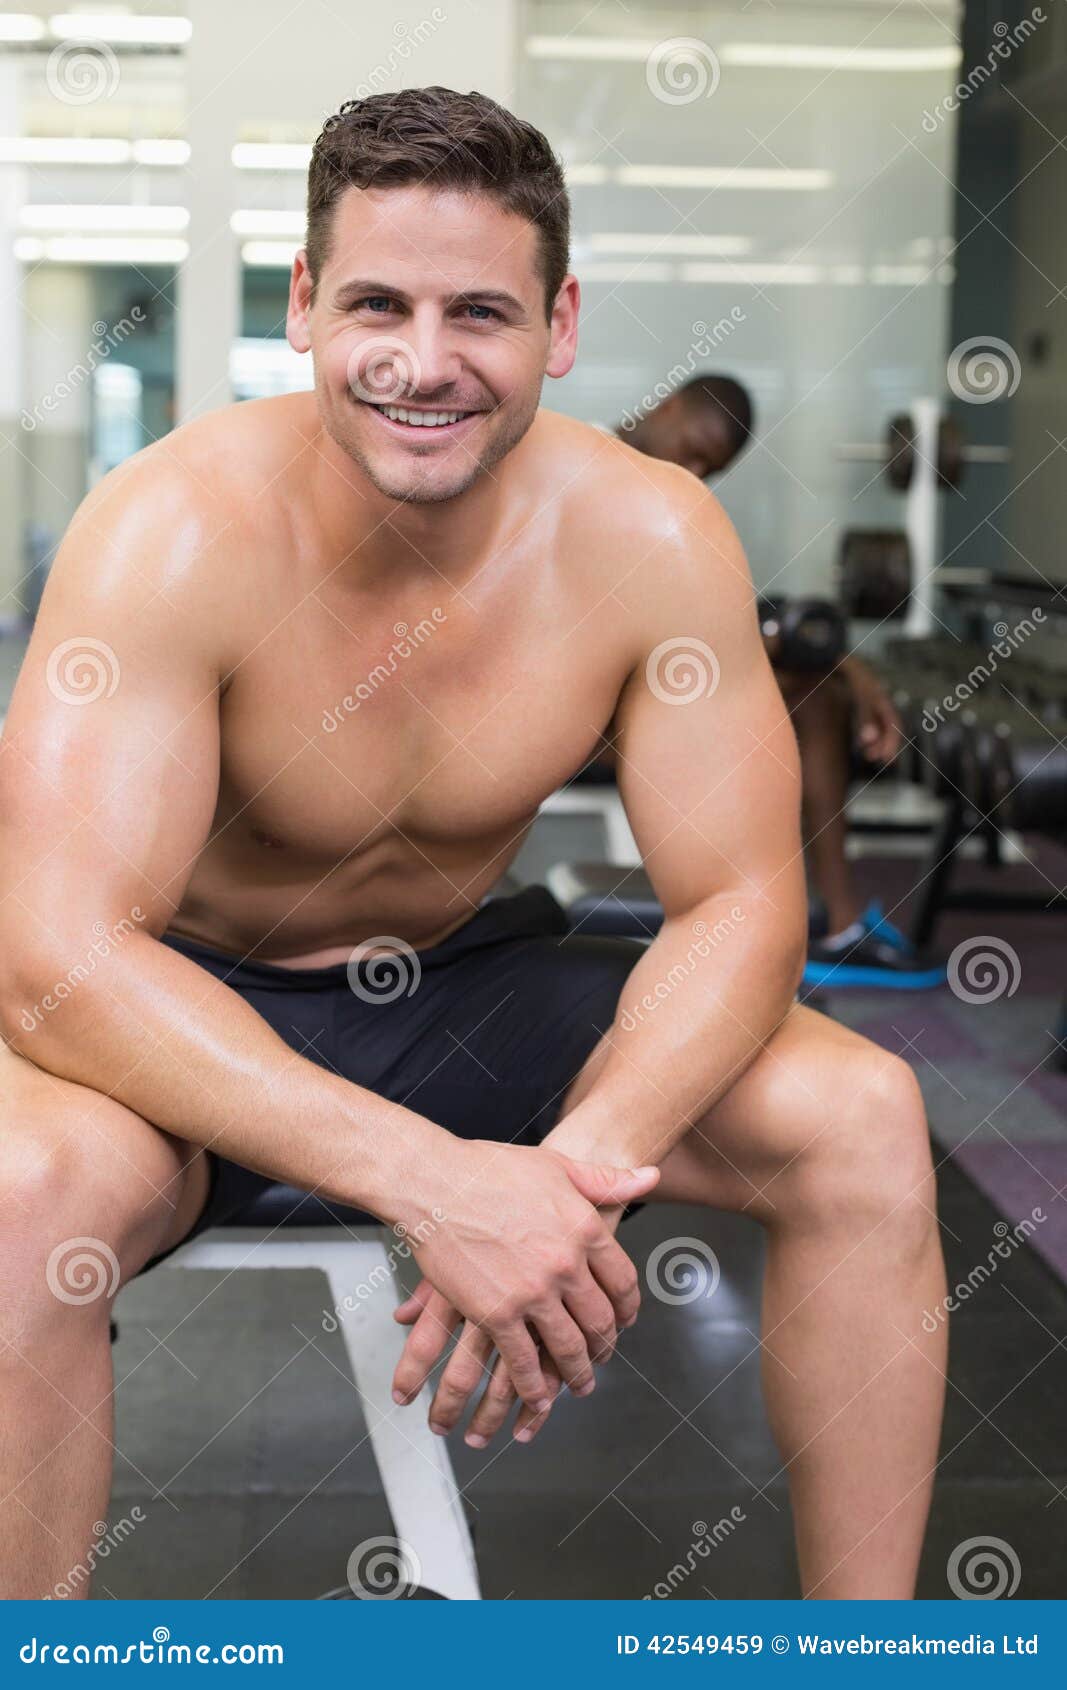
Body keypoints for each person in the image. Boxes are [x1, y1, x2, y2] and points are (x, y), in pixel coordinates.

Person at [0, 86, 946, 1601]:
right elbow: (56, 962)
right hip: (177, 1023)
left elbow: (741, 903)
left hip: (453, 988)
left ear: (558, 325)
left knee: (861, 1116)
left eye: (479, 313)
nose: (422, 362)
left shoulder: (647, 536)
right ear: (305, 305)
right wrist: (437, 1183)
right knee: (18, 1189)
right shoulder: (169, 531)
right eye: (376, 302)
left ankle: (862, 1646)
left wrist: (563, 1176)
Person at [623, 377, 945, 988]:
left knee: (817, 687)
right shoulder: (599, 473)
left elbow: (734, 610)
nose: (693, 470)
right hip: (607, 685)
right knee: (808, 681)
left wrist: (855, 670)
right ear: (666, 405)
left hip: (667, 668)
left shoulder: (677, 500)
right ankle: (821, 922)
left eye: (707, 467)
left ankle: (827, 925)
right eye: (692, 448)